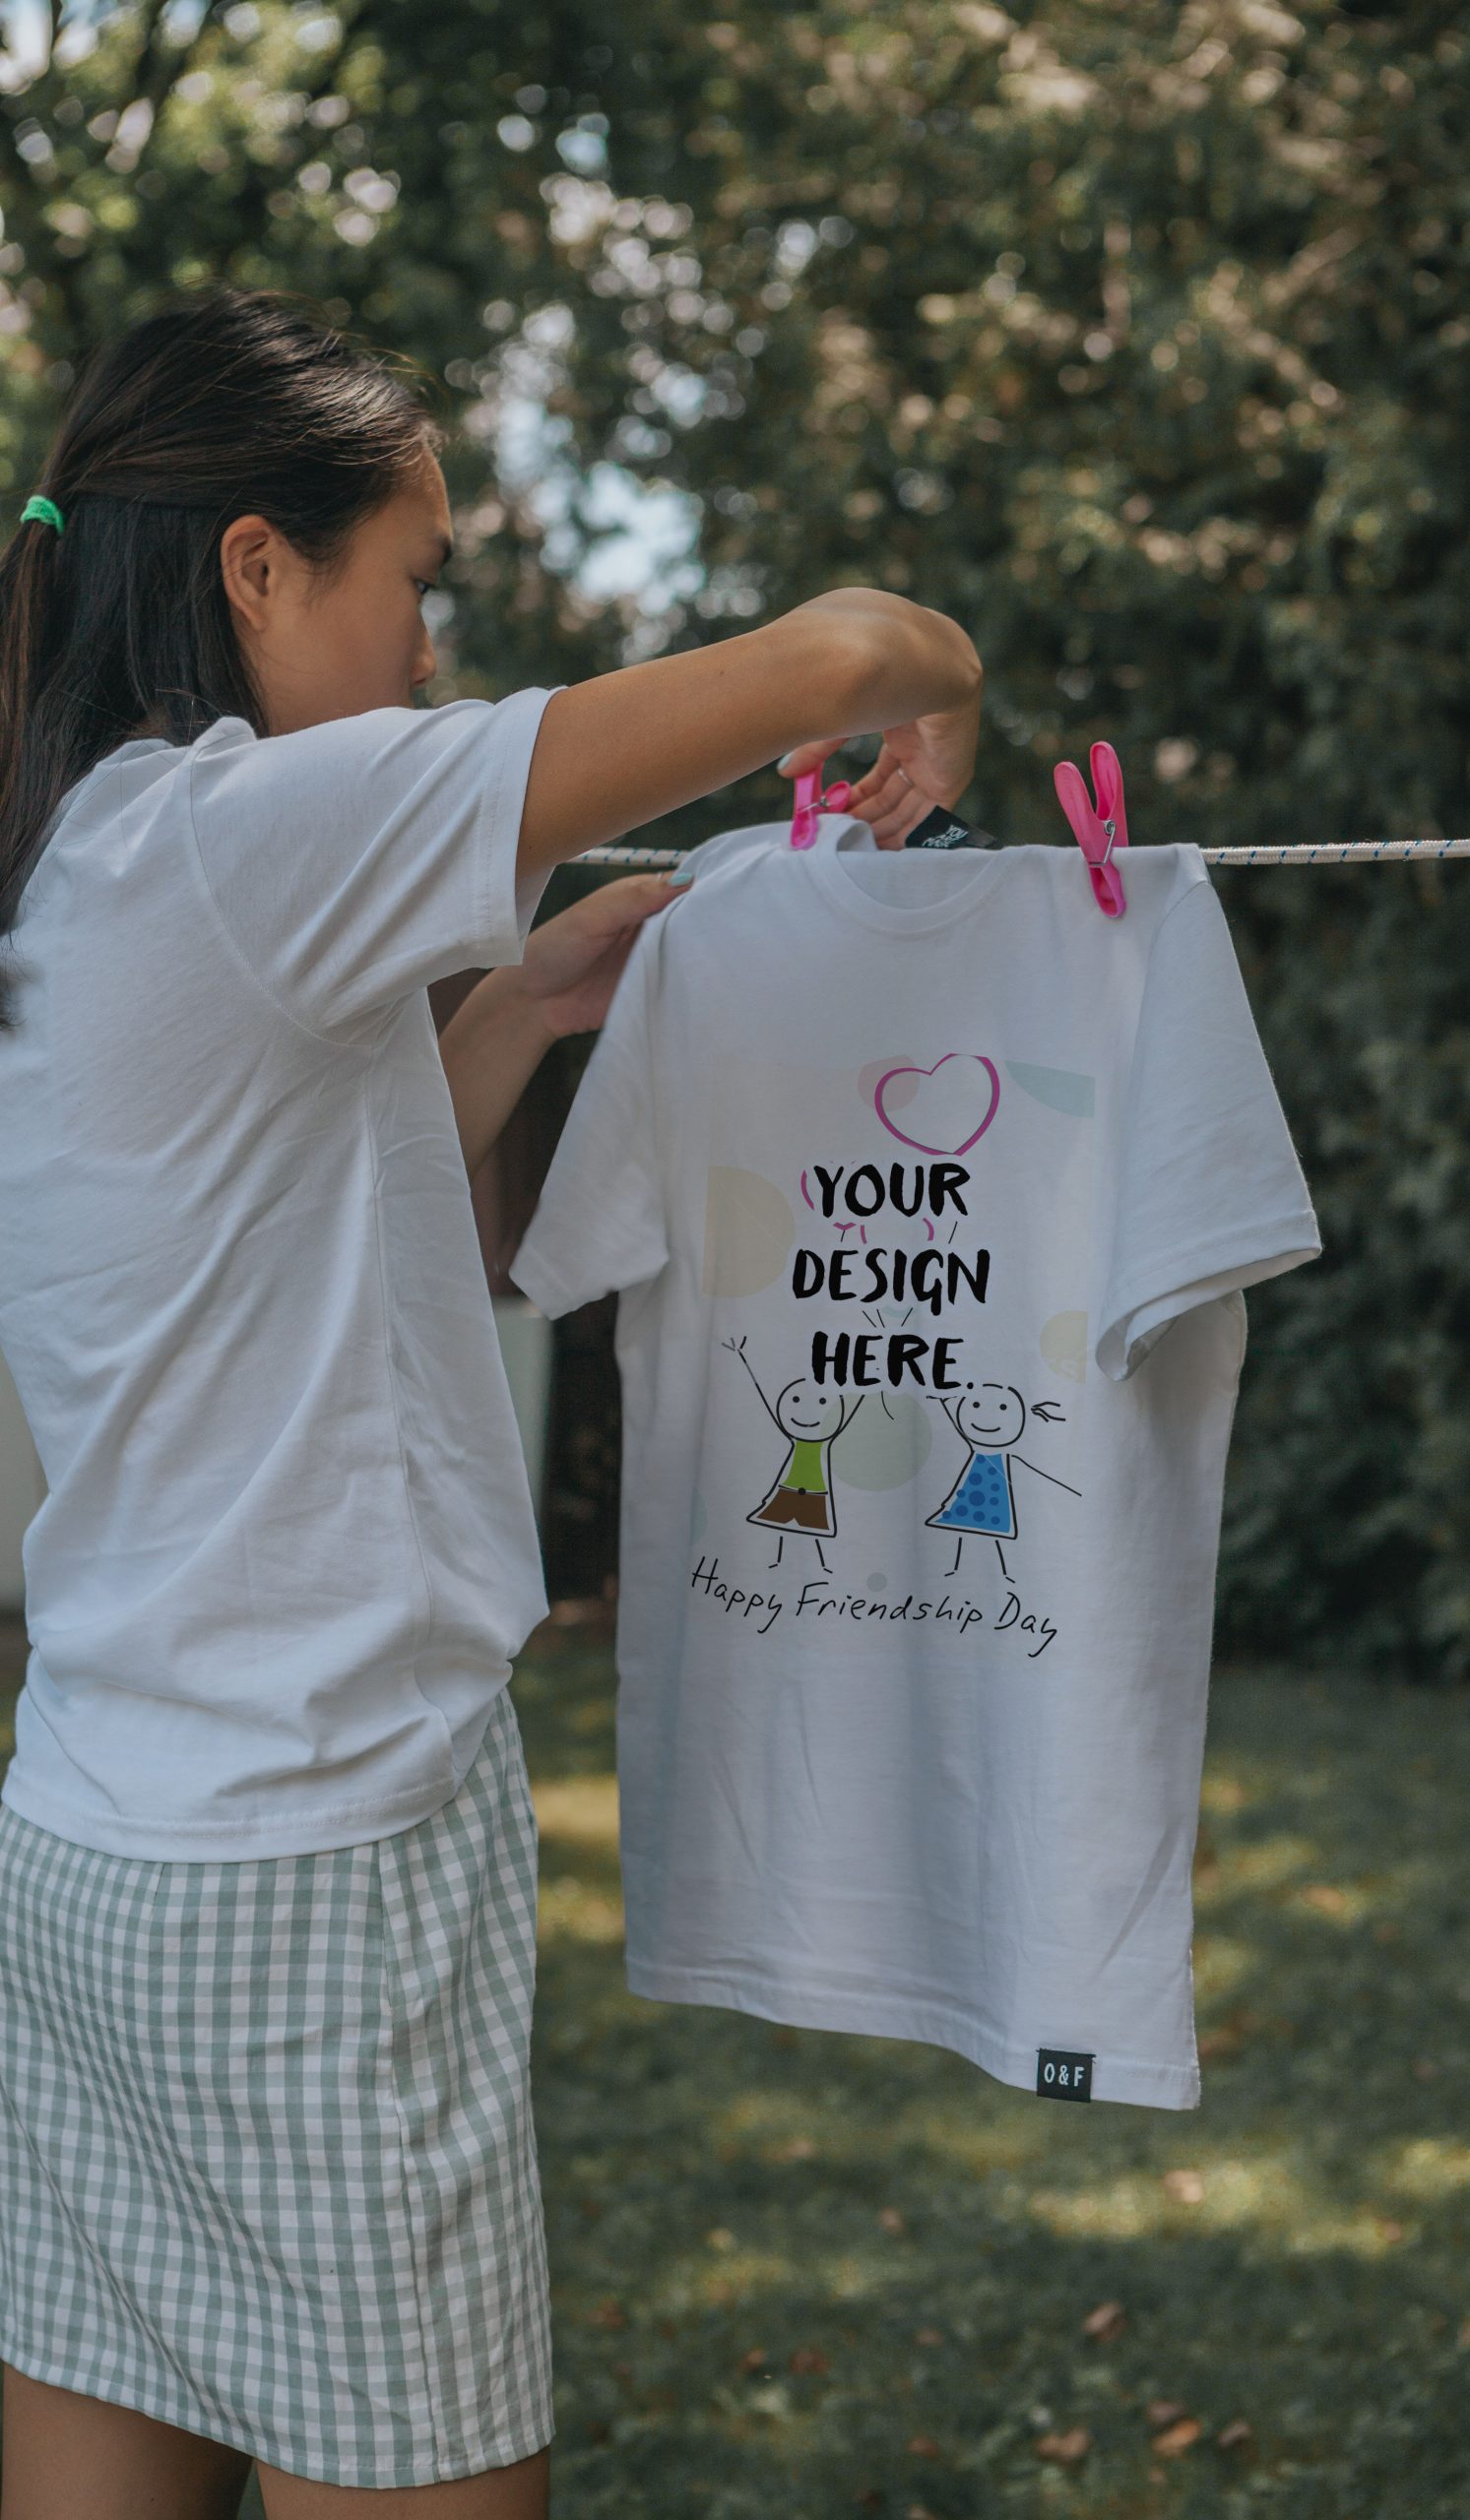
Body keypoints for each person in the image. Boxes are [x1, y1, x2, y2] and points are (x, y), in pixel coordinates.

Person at [0, 284, 982, 2518]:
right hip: (320, 1858)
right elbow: (842, 655)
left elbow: (252, 1246)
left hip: (85, 1848)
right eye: (415, 582)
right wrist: (951, 682)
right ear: (259, 562)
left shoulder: (73, 857)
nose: (430, 649)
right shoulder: (250, 834)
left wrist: (524, 1002)